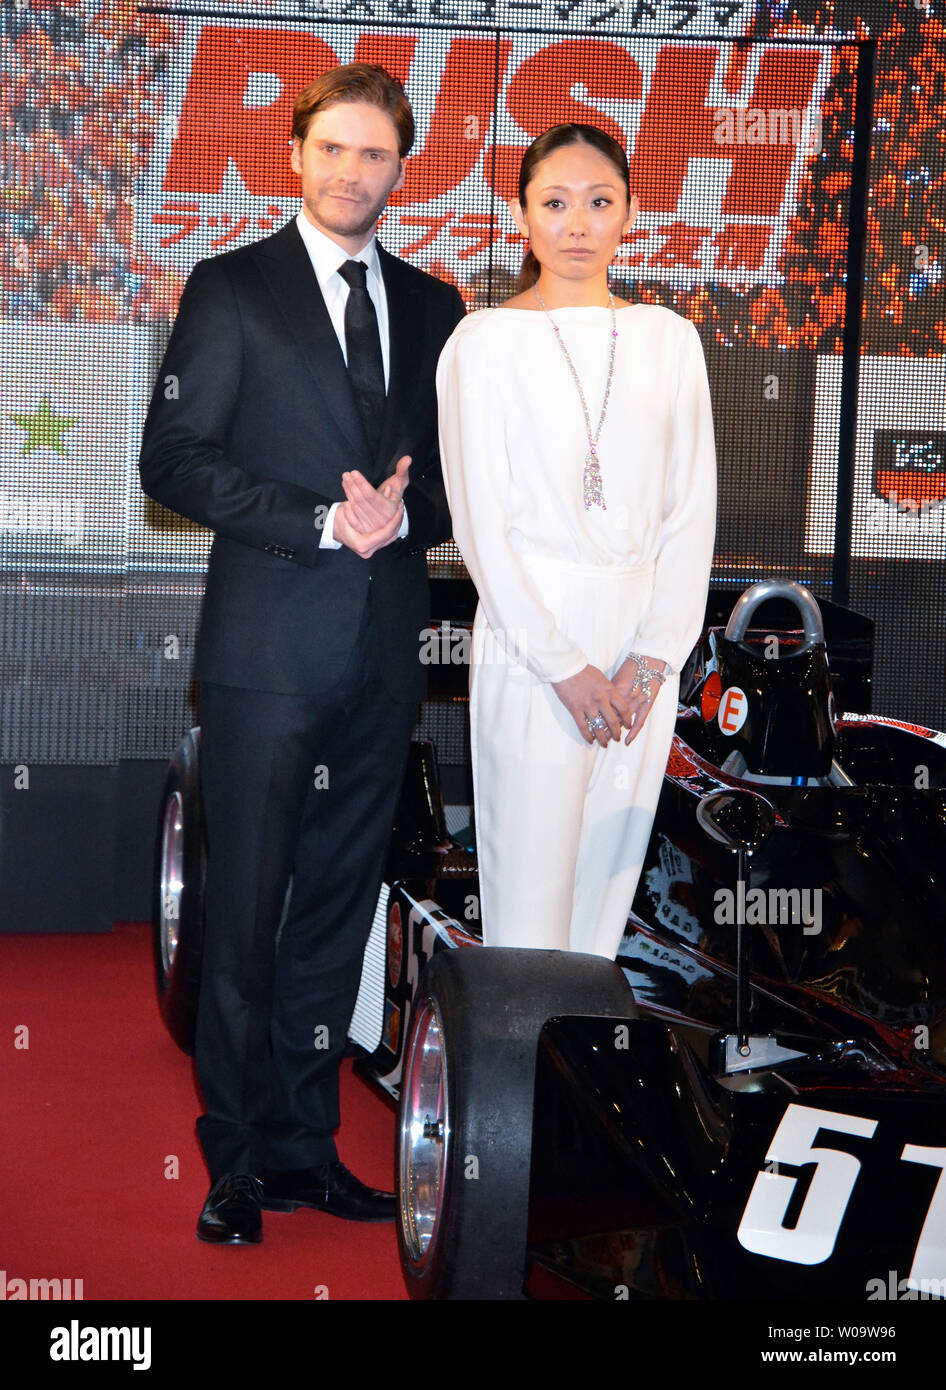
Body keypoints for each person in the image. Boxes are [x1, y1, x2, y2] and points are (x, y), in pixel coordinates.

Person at [139, 64, 465, 1244]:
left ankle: (304, 1144)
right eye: (333, 148)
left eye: (375, 154)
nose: (351, 172)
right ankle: (232, 1159)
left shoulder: (438, 309)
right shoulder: (232, 289)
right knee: (243, 912)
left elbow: (453, 487)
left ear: (400, 167)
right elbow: (170, 460)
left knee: (335, 913)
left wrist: (398, 517)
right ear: (294, 151)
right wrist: (320, 518)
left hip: (380, 665)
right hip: (263, 661)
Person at [436, 123, 716, 960]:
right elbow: (480, 528)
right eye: (555, 204)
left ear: (630, 212)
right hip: (535, 645)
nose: (577, 224)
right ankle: (514, 1086)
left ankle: (575, 1085)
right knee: (529, 916)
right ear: (522, 216)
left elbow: (690, 511)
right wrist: (562, 665)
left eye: (599, 202)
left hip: (641, 657)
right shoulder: (481, 344)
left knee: (603, 910)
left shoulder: (670, 339)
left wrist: (655, 657)